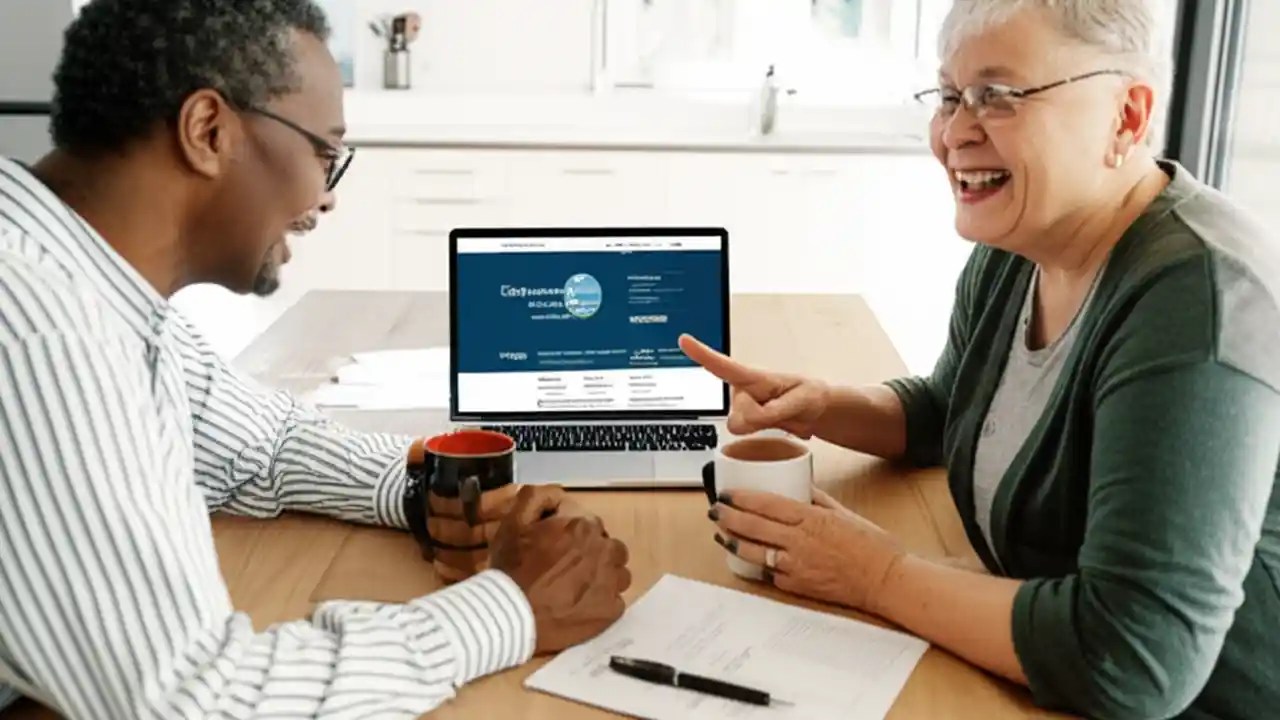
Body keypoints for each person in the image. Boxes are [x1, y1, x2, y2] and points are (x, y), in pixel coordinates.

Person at [0, 1, 630, 718]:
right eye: (324, 153)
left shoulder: (79, 282)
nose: (325, 197)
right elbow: (198, 700)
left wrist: (426, 492)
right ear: (208, 132)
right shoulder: (44, 335)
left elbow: (258, 445)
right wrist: (513, 608)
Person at [682, 1, 1279, 718]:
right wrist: (823, 405)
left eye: (997, 96)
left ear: (1126, 117)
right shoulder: (1021, 248)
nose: (953, 133)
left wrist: (877, 574)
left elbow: (1132, 658)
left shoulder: (1196, 297)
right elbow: (948, 408)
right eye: (950, 95)